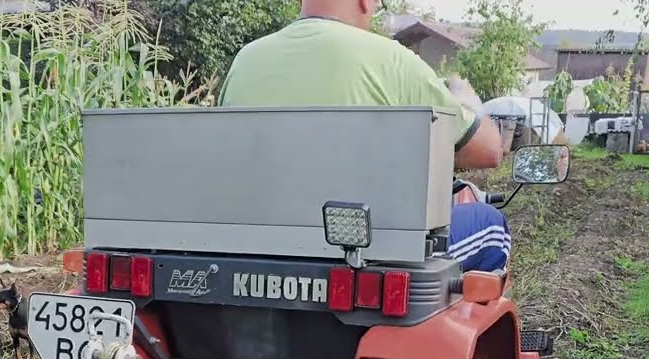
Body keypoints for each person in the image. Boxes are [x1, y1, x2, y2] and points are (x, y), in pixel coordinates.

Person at [218, 0, 512, 273]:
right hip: (365, 261)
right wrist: (467, 100)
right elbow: (488, 151)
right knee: (490, 224)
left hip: (256, 254)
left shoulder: (246, 61)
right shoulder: (391, 60)